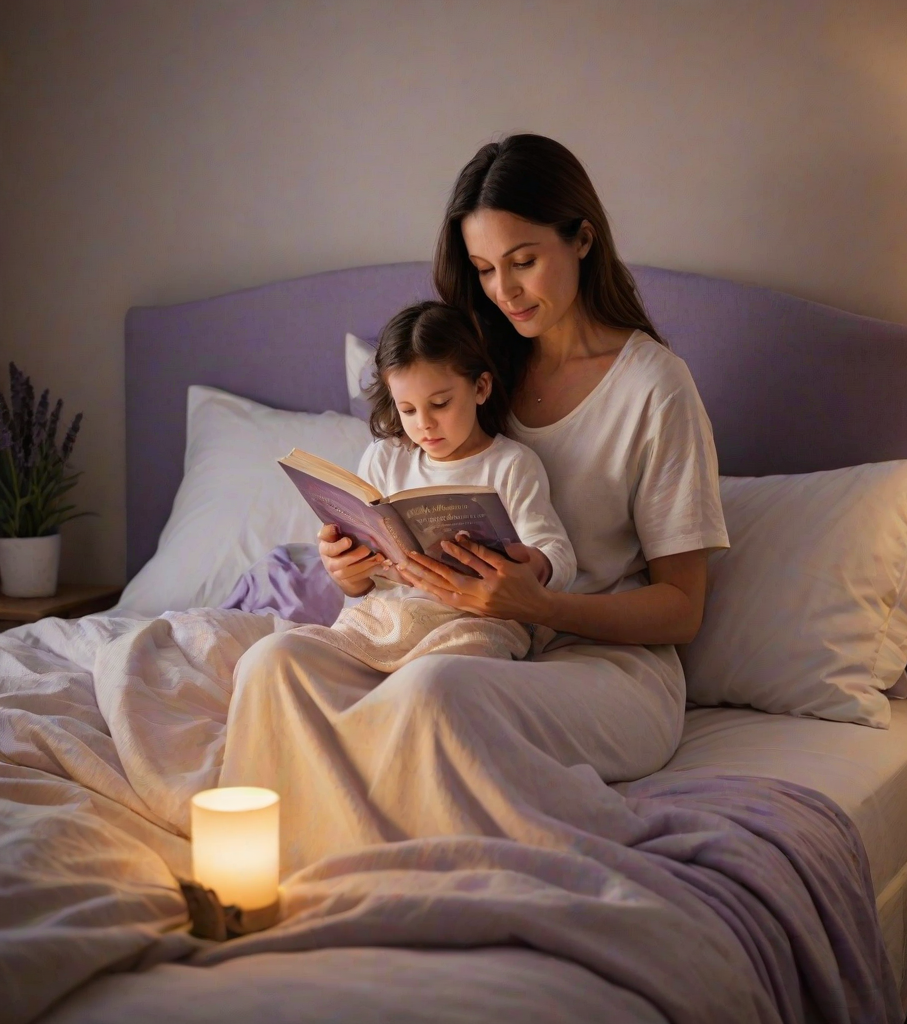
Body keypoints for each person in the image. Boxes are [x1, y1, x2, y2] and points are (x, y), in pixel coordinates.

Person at [220, 134, 729, 874]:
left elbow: (682, 609)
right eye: (486, 269)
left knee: (437, 690)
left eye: (523, 261)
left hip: (604, 667)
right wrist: (351, 561)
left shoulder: (655, 387)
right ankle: (273, 864)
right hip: (441, 635)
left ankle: (403, 873)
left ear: (582, 238)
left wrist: (538, 605)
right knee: (274, 664)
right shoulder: (467, 370)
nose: (505, 291)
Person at [303, 300, 575, 672]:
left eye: (440, 404)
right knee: (281, 657)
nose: (424, 424)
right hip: (391, 615)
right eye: (408, 410)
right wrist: (347, 573)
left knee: (435, 679)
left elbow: (557, 552)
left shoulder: (510, 464)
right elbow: (366, 579)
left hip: (475, 620)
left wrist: (534, 565)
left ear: (480, 387)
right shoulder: (384, 458)